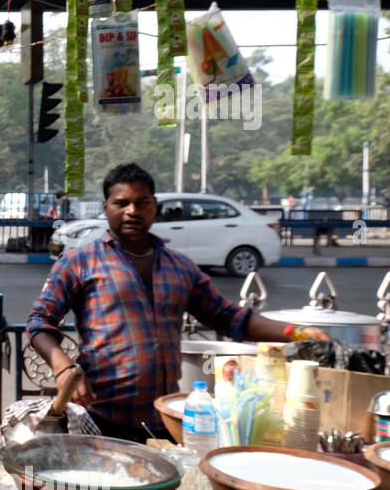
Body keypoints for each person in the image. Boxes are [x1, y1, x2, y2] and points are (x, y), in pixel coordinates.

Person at [27, 162, 328, 441]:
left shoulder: (180, 267)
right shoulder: (79, 261)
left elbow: (229, 318)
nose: (132, 211)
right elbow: (40, 321)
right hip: (100, 418)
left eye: (142, 202)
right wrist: (63, 366)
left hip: (166, 421)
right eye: (121, 203)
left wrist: (296, 332)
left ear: (154, 207)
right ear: (106, 208)